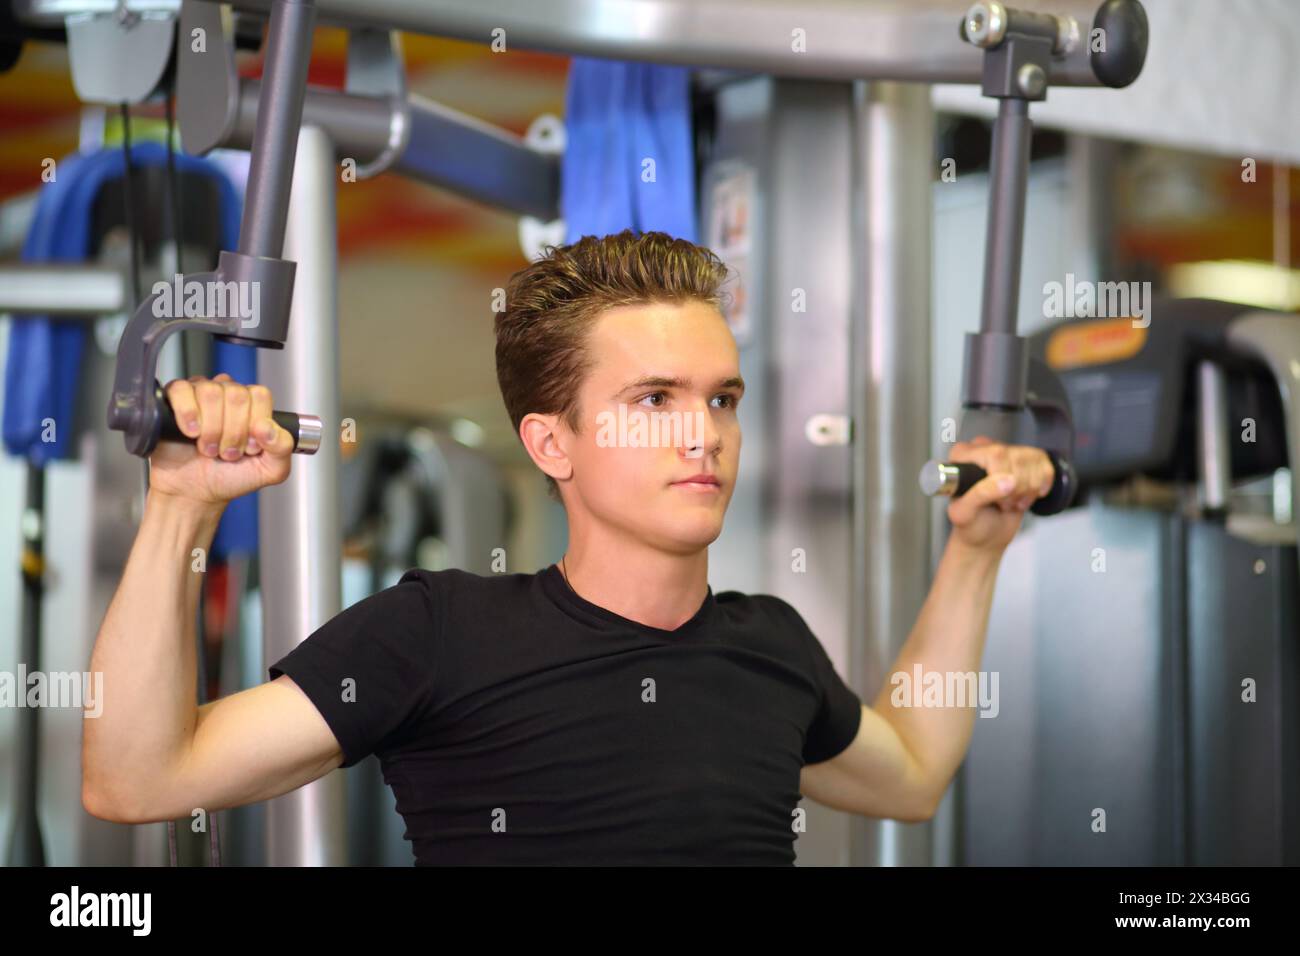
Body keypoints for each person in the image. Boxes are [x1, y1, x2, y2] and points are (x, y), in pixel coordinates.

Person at [82, 229, 1055, 865]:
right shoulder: (439, 631)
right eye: (653, 400)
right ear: (553, 442)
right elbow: (137, 779)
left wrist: (974, 551)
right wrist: (180, 505)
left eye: (720, 398)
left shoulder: (770, 646)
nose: (701, 433)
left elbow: (916, 773)